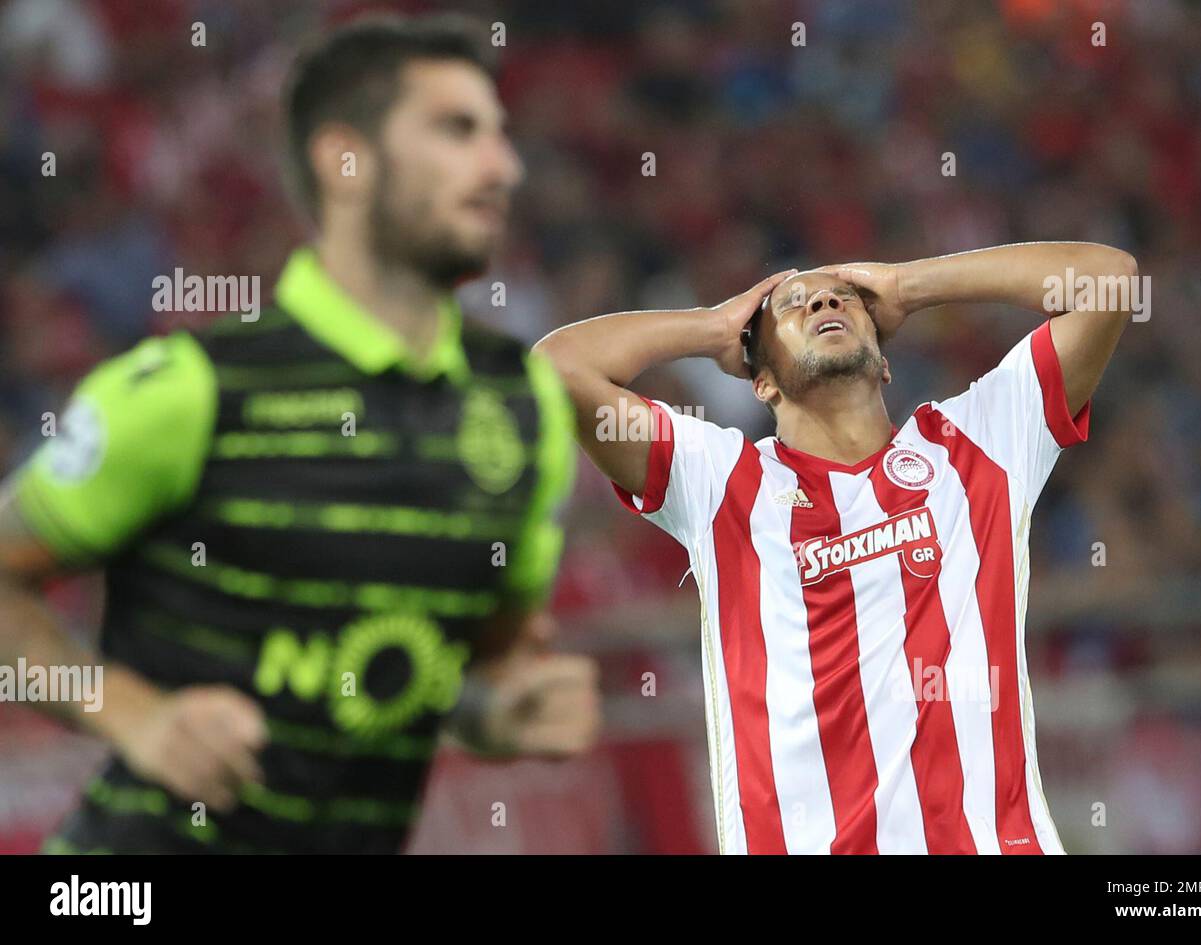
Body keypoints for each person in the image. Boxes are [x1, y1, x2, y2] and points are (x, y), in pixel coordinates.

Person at [0, 13, 598, 855]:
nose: (503, 165)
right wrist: (136, 716)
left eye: (500, 134)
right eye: (457, 130)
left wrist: (499, 712)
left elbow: (463, 665)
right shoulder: (191, 390)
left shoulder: (523, 402)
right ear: (342, 161)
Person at [535, 242, 1137, 854]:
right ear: (761, 381)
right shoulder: (720, 481)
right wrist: (714, 326)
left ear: (884, 364)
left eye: (844, 297)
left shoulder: (978, 445)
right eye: (792, 305)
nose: (823, 298)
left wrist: (910, 287)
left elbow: (1109, 282)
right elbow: (557, 368)